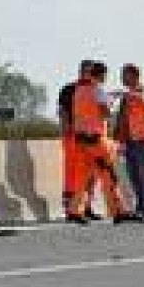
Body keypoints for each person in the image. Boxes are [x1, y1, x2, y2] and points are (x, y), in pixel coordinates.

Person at [67, 61, 141, 225]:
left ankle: (73, 211)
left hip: (80, 140)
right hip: (96, 140)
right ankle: (118, 211)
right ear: (101, 75)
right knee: (109, 176)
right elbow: (105, 112)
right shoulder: (97, 89)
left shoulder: (79, 90)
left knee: (82, 178)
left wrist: (109, 97)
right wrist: (112, 101)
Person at [113, 64, 144, 220]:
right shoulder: (126, 96)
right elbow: (122, 119)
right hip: (129, 140)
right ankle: (141, 207)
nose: (121, 78)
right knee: (134, 175)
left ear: (134, 75)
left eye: (124, 75)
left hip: (143, 139)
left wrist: (128, 94)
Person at [56, 60, 99, 222]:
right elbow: (63, 111)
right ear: (81, 71)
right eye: (87, 71)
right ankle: (70, 209)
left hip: (92, 137)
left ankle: (87, 207)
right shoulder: (68, 89)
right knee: (72, 174)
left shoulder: (96, 90)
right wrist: (66, 129)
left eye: (92, 72)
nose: (89, 75)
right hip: (73, 136)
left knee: (91, 174)